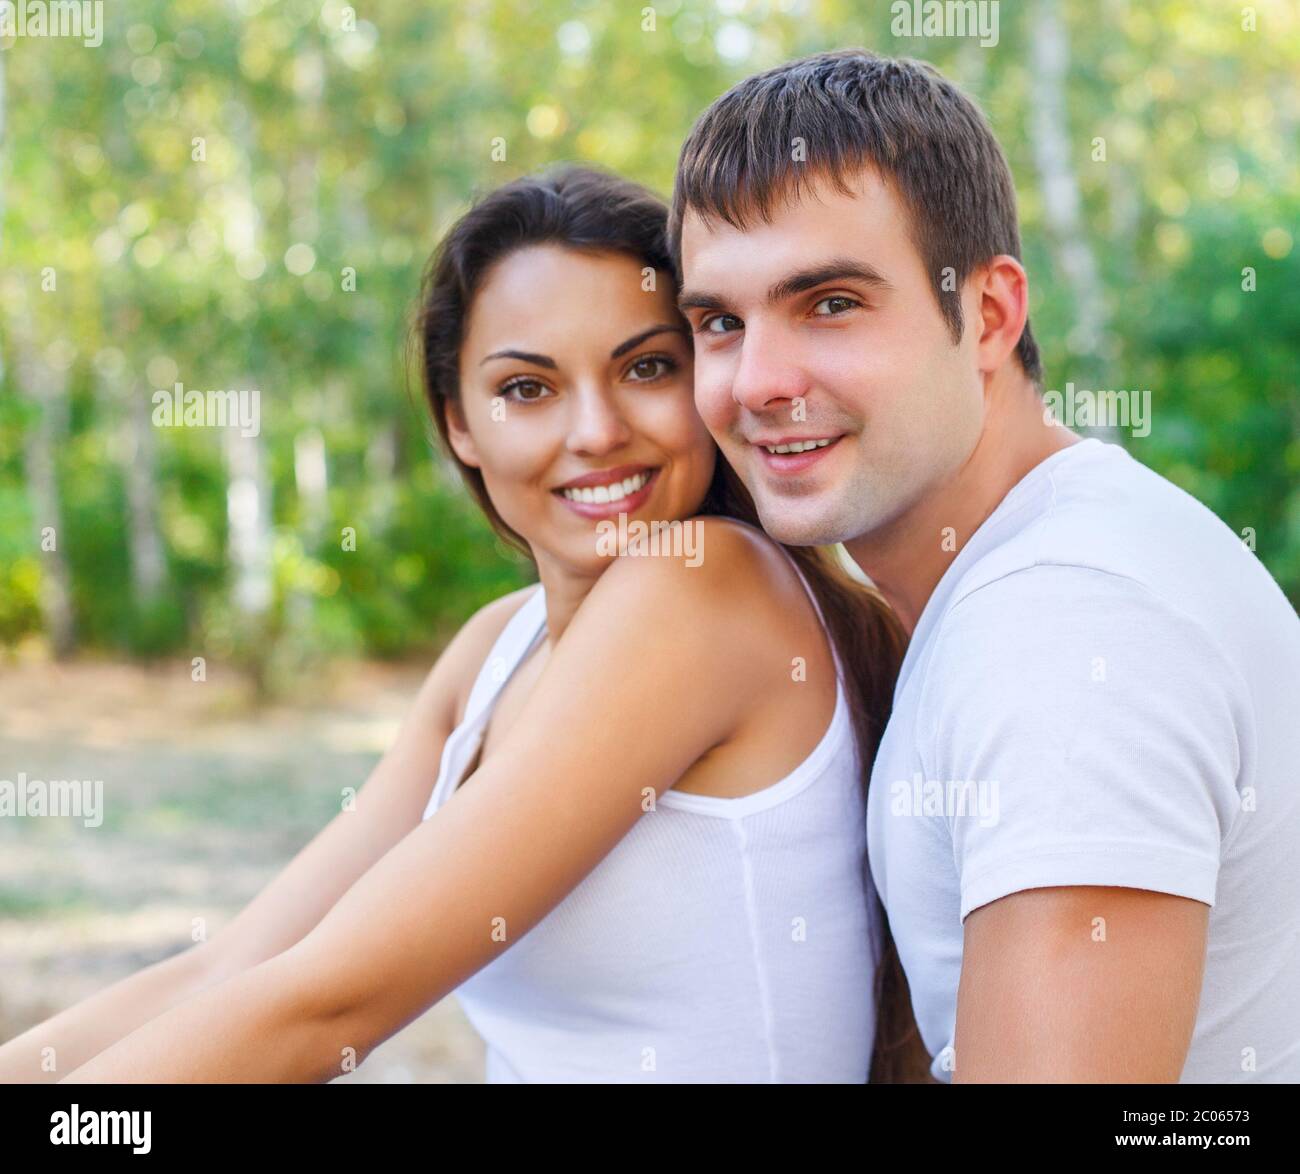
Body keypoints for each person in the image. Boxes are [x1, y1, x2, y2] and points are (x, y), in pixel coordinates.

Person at [0, 165, 922, 1083]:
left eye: (646, 368)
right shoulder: (497, 646)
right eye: (528, 388)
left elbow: (328, 1008)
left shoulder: (708, 587)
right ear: (461, 424)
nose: (596, 431)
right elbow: (235, 968)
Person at [669, 47, 1300, 1082]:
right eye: (719, 324)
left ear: (990, 317)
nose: (759, 381)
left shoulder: (1065, 629)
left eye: (829, 302)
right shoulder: (1037, 565)